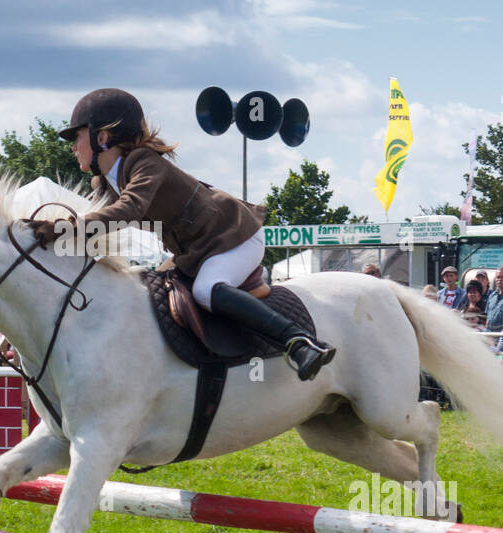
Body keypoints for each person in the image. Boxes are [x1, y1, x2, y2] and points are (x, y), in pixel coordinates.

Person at [34, 88, 336, 380]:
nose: (72, 146)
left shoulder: (143, 161)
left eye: (77, 137)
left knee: (206, 290)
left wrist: (64, 228)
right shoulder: (104, 184)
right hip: (195, 253)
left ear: (102, 137)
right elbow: (101, 229)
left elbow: (129, 211)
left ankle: (300, 343)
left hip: (234, 237)